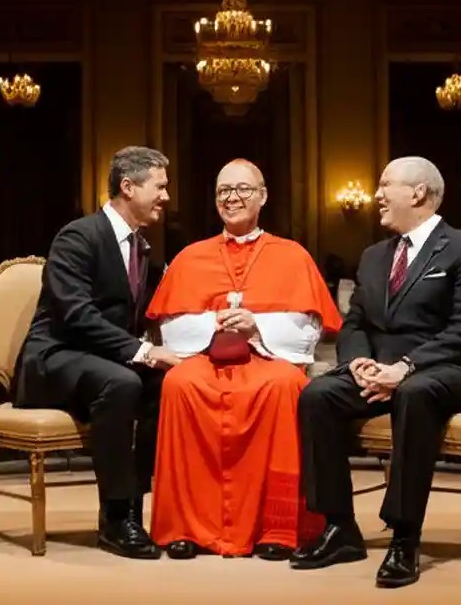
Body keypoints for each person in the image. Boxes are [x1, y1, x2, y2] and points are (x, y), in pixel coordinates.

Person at [293, 156, 461, 589]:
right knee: (315, 396)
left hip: (447, 369)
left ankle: (405, 536)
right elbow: (356, 322)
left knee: (414, 393)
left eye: (385, 185)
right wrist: (358, 364)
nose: (376, 195)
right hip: (379, 367)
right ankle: (339, 527)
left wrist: (404, 367)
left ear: (418, 193)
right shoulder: (372, 256)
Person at [146, 159, 341, 560]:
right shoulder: (190, 256)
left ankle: (278, 528)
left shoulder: (292, 255)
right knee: (179, 385)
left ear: (263, 197)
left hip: (268, 360)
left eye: (242, 190)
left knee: (285, 386)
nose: (232, 198)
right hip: (207, 358)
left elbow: (310, 327)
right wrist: (213, 324)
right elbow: (167, 327)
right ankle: (184, 526)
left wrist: (256, 327)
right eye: (223, 192)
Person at [15, 146, 181, 559]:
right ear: (128, 186)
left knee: (169, 383)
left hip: (101, 360)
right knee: (123, 381)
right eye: (160, 186)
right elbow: (76, 315)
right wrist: (143, 351)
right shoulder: (78, 235)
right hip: (55, 357)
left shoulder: (142, 247)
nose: (166, 196)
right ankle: (114, 519)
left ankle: (136, 505)